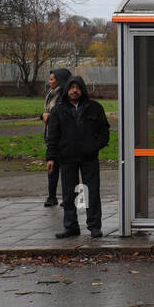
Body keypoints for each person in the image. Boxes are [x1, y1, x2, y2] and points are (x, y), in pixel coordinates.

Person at [45, 75, 110, 238]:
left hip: (89, 157)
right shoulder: (59, 110)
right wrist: (51, 158)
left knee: (92, 192)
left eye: (78, 87)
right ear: (67, 90)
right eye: (72, 88)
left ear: (83, 89)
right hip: (67, 157)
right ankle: (71, 226)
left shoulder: (95, 107)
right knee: (68, 193)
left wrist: (94, 146)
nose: (75, 91)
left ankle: (94, 226)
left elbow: (104, 132)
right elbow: (53, 135)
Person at [41, 67, 72, 207]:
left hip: (64, 137)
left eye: (52, 79)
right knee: (52, 164)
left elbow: (63, 115)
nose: (50, 81)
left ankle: (68, 197)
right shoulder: (51, 94)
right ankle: (52, 196)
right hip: (52, 135)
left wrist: (50, 117)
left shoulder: (65, 96)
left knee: (66, 169)